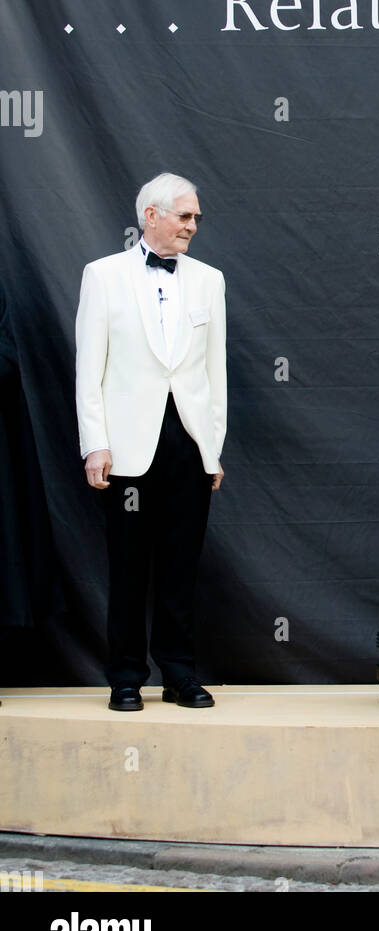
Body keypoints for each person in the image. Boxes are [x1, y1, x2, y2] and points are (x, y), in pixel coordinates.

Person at [75, 173, 226, 710]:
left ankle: (180, 675)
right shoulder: (104, 275)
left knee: (182, 565)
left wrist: (212, 448)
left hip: (187, 441)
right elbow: (88, 369)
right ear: (151, 216)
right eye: (184, 216)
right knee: (129, 564)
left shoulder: (211, 280)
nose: (192, 226)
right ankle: (125, 677)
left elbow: (215, 374)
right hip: (126, 446)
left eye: (196, 218)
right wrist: (95, 443)